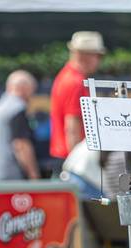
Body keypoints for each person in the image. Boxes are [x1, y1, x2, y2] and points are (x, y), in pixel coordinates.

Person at [49, 31, 104, 160]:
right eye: (98, 56)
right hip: (70, 157)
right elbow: (72, 127)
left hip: (64, 155)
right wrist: (76, 161)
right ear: (86, 56)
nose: (99, 61)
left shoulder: (65, 76)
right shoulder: (75, 82)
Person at [0, 70, 40, 181]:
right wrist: (33, 174)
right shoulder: (17, 109)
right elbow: (21, 145)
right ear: (24, 88)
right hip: (12, 174)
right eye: (32, 90)